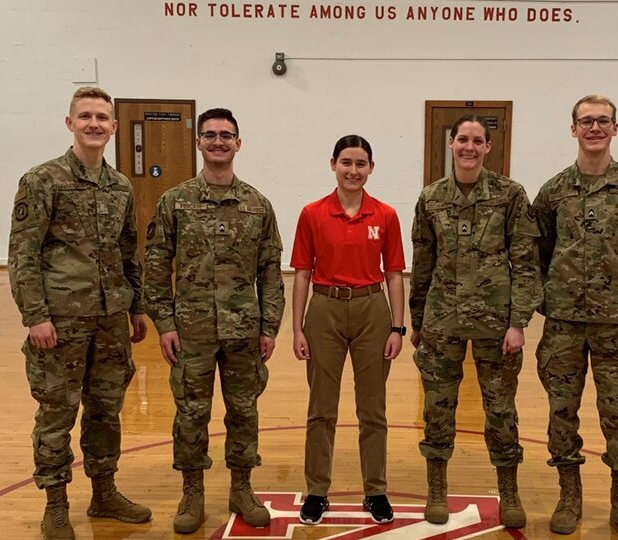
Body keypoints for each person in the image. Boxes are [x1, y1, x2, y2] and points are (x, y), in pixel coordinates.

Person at [8, 86, 152, 540]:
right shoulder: (42, 179)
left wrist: (137, 309)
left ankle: (104, 491)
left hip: (111, 318)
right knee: (57, 412)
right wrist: (35, 316)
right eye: (85, 116)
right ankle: (55, 503)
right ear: (70, 123)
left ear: (113, 127)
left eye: (102, 117)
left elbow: (130, 251)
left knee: (106, 411)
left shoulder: (121, 186)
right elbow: (23, 253)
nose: (94, 124)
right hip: (60, 319)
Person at [144, 108, 285, 534]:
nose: (219, 142)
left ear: (238, 144)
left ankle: (242, 488)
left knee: (244, 412)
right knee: (191, 413)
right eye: (211, 135)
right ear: (199, 143)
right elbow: (155, 266)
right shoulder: (175, 201)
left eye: (227, 135)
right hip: (192, 331)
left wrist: (269, 327)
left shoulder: (258, 205)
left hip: (244, 330)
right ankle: (193, 492)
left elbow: (271, 271)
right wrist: (165, 323)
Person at [532, 94, 618, 539]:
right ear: (572, 129)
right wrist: (559, 292)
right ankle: (569, 496)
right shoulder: (553, 192)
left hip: (616, 323)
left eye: (602, 121)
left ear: (614, 128)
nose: (594, 128)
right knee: (561, 410)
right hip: (564, 321)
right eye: (585, 121)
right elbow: (538, 249)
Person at [409, 115, 542, 528]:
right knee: (438, 408)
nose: (469, 147)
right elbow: (423, 262)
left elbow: (525, 262)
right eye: (462, 139)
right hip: (442, 321)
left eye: (477, 141)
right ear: (451, 144)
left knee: (501, 411)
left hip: (495, 323)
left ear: (488, 147)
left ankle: (510, 491)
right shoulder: (431, 197)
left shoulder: (509, 195)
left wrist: (518, 321)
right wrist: (417, 320)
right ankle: (436, 490)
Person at [290, 135, 406, 525]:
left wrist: (397, 327)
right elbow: (302, 272)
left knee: (373, 409)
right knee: (321, 408)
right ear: (333, 164)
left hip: (373, 309)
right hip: (324, 310)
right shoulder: (312, 213)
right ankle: (316, 491)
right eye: (346, 162)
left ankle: (375, 490)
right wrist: (297, 329)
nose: (353, 170)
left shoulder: (386, 215)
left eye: (360, 163)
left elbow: (394, 273)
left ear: (371, 167)